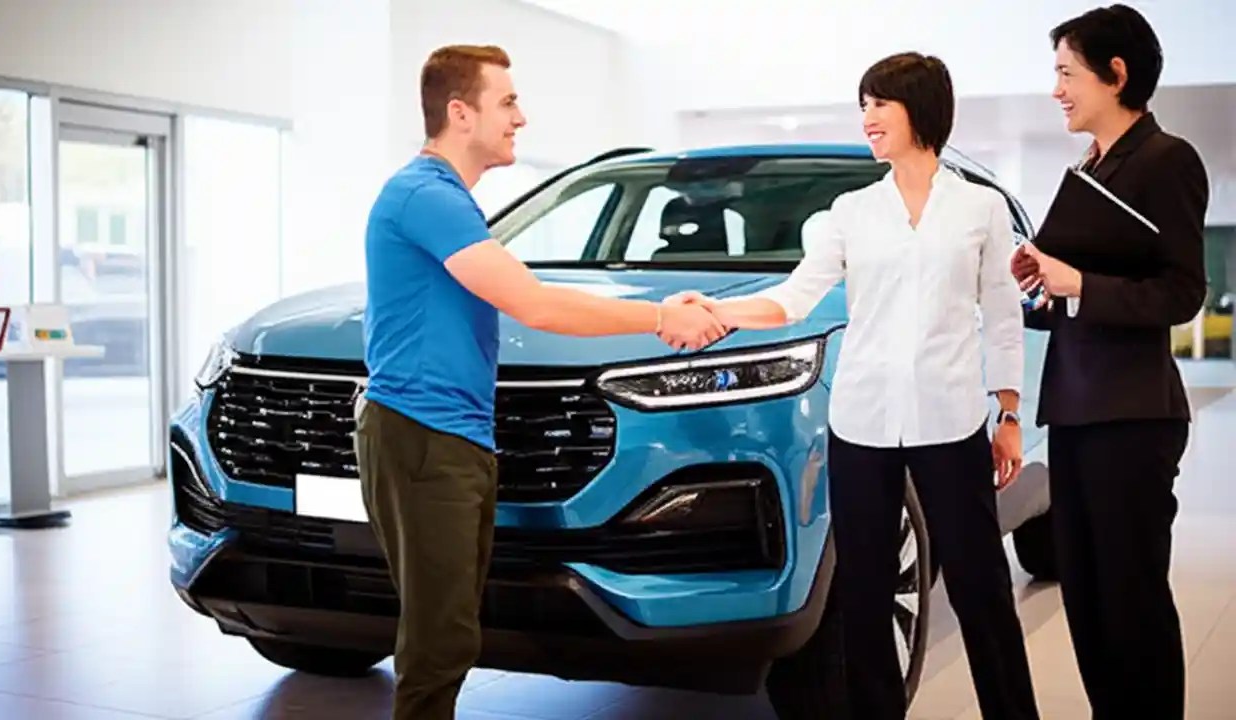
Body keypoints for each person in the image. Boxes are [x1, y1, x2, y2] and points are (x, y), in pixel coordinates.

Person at [354, 44, 725, 720]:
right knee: (439, 640)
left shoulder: (445, 200)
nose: (521, 117)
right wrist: (660, 316)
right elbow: (536, 305)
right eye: (508, 102)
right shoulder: (425, 196)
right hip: (424, 435)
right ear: (460, 113)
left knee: (449, 632)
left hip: (451, 435)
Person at [666, 53, 1040, 720]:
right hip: (862, 424)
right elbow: (793, 300)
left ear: (919, 110)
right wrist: (721, 312)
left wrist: (1008, 411)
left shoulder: (979, 207)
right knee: (864, 597)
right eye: (862, 104)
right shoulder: (851, 209)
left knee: (981, 588)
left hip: (952, 422)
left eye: (879, 104)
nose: (866, 117)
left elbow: (1003, 312)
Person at [1011, 6, 1209, 719]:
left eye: (1067, 72)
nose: (1057, 89)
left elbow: (1183, 292)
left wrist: (1080, 283)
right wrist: (1044, 284)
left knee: (1132, 602)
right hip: (1076, 406)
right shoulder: (1091, 165)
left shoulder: (1166, 159)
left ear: (1116, 74)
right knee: (1089, 601)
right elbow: (1083, 291)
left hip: (1132, 412)